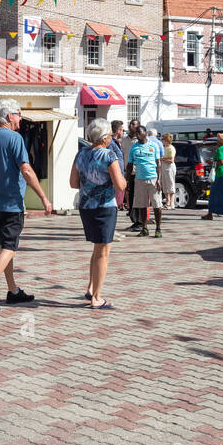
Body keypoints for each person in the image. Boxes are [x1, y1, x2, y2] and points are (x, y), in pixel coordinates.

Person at [0, 98, 52, 313]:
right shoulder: (15, 138)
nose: (21, 117)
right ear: (9, 117)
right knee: (9, 249)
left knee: (6, 249)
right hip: (11, 204)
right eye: (18, 113)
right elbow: (26, 170)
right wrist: (44, 197)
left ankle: (13, 291)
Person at [71, 118, 127, 310]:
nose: (111, 138)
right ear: (104, 138)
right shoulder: (108, 155)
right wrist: (125, 182)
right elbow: (120, 185)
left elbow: (72, 182)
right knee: (103, 251)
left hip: (86, 206)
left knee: (97, 249)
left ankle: (91, 288)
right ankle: (96, 297)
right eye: (110, 135)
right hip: (104, 207)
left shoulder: (81, 154)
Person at [126, 124, 164, 237]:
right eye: (136, 133)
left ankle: (158, 228)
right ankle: (144, 228)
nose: (137, 135)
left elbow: (158, 164)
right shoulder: (134, 147)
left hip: (153, 179)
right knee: (142, 205)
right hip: (139, 179)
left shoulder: (153, 146)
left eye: (139, 133)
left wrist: (159, 180)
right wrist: (127, 180)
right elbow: (129, 165)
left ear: (145, 133)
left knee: (157, 205)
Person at [159, 133, 177, 210]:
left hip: (169, 168)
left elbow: (171, 160)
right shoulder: (164, 147)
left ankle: (172, 203)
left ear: (166, 140)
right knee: (165, 185)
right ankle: (167, 202)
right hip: (164, 167)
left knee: (170, 185)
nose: (161, 141)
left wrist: (162, 159)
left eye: (163, 139)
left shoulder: (171, 148)